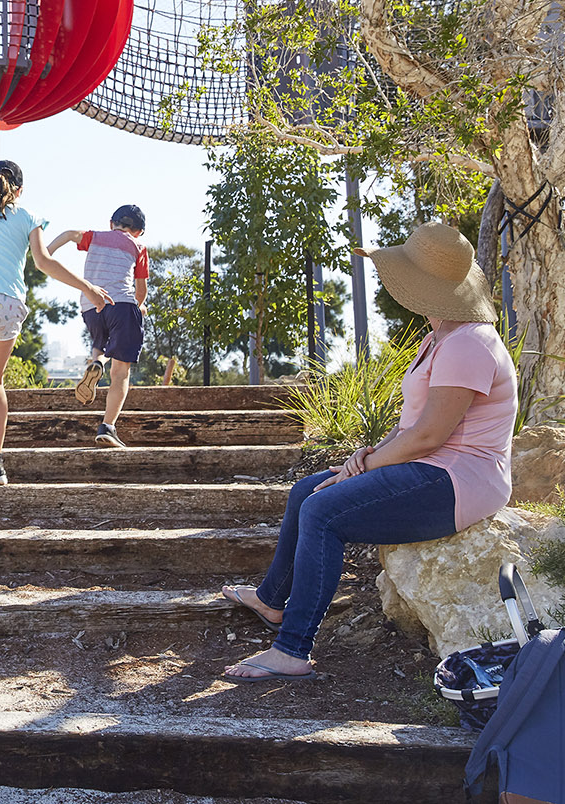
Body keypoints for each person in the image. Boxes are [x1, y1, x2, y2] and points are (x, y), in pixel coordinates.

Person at [219, 222, 517, 681]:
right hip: (428, 466)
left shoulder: (469, 344)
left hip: (456, 482)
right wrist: (366, 455)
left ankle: (293, 650)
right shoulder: (441, 336)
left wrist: (366, 467)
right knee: (304, 492)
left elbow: (429, 436)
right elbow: (412, 424)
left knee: (322, 512)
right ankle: (272, 600)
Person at [0, 160, 111, 491]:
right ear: (20, 190)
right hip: (5, 303)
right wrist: (87, 288)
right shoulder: (28, 217)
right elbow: (44, 262)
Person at [47, 205, 149, 447]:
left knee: (101, 343)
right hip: (122, 305)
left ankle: (96, 362)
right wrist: (139, 307)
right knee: (120, 372)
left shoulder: (96, 237)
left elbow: (69, 234)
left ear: (111, 223)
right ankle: (108, 427)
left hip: (91, 306)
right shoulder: (138, 247)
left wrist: (46, 254)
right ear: (138, 231)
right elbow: (141, 291)